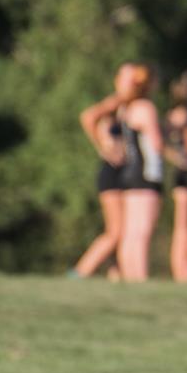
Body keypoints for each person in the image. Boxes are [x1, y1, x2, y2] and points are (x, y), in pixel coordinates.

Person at [73, 62, 164, 281]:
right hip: (114, 171)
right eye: (127, 78)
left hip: (128, 170)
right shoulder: (117, 102)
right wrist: (103, 147)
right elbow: (88, 117)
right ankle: (79, 273)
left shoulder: (130, 105)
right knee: (116, 231)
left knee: (125, 232)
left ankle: (118, 276)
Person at [165, 72, 187, 282]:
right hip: (186, 174)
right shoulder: (180, 114)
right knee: (184, 226)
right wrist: (180, 159)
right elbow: (163, 143)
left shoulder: (182, 114)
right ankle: (182, 271)